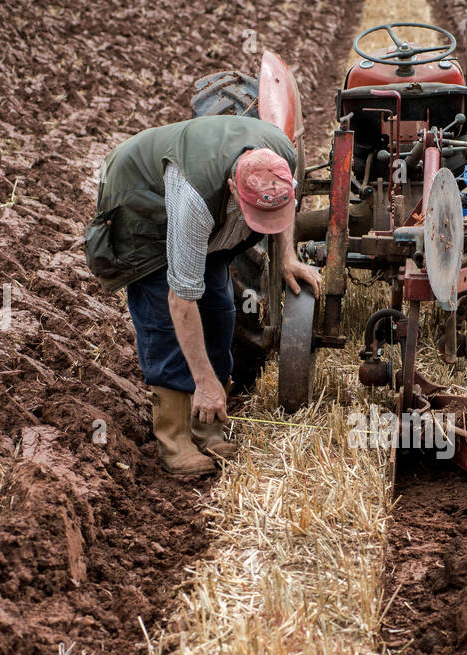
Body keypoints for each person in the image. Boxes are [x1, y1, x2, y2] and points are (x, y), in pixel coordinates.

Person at [86, 115, 321, 477]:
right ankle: (175, 439)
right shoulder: (193, 202)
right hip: (143, 205)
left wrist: (287, 256)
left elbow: (283, 208)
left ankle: (207, 425)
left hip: (210, 208)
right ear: (232, 187)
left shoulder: (281, 158)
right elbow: (181, 302)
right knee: (165, 324)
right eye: (257, 215)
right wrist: (204, 381)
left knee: (220, 310)